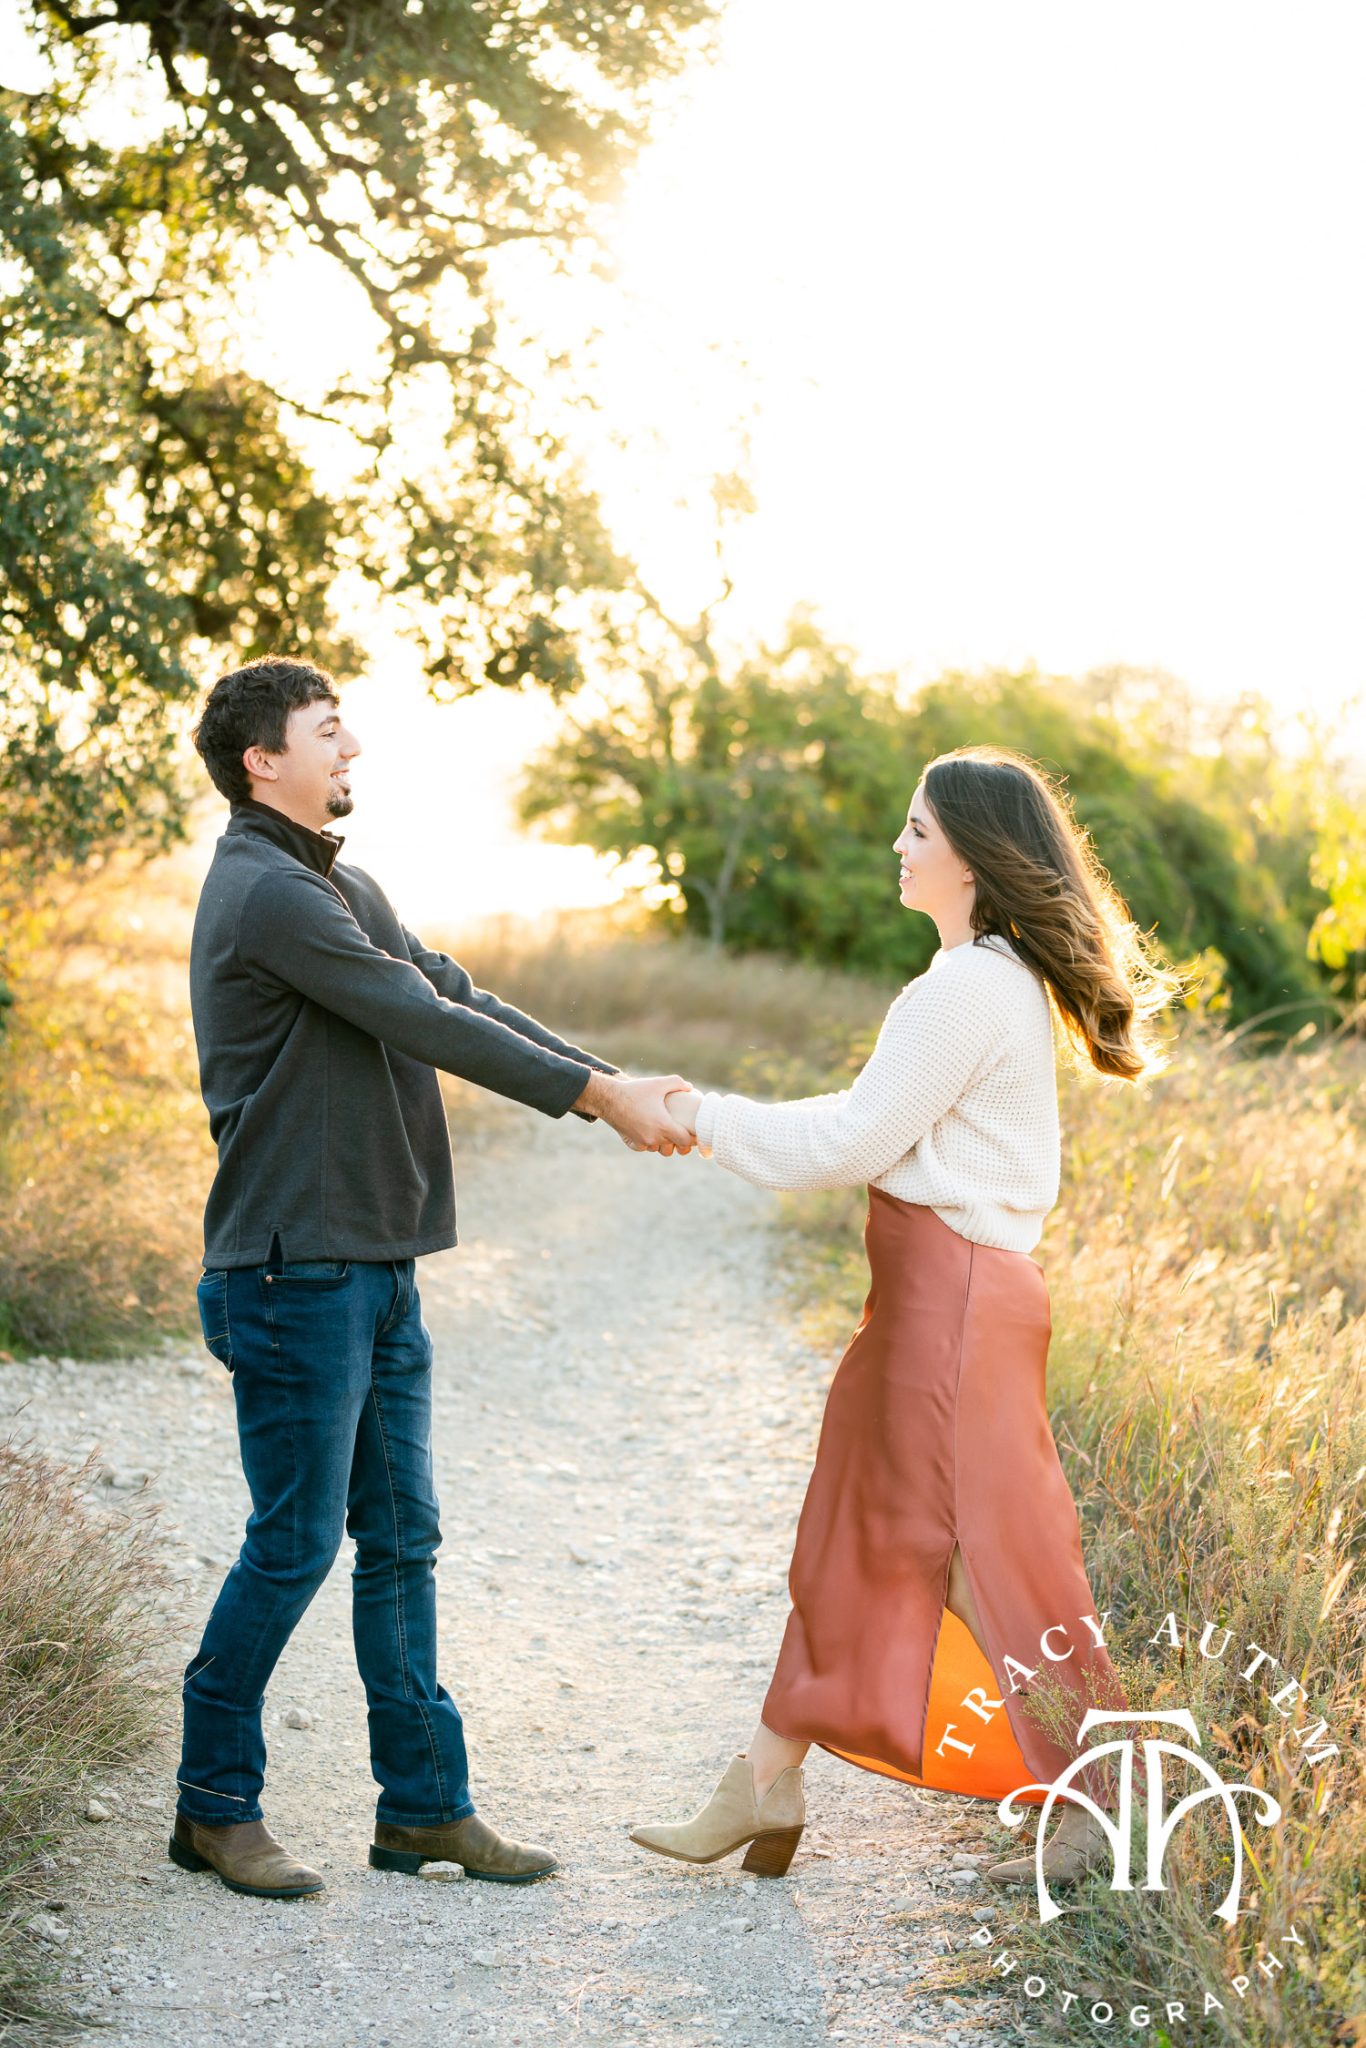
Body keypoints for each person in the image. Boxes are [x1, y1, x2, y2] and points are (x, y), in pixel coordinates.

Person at [174, 654, 694, 1902]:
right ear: (263, 759)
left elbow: (463, 991)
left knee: (400, 1539)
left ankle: (422, 1808)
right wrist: (601, 1102)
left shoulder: (343, 882)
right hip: (292, 1268)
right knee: (294, 1542)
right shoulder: (262, 892)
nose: (351, 749)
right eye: (326, 731)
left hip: (375, 1262)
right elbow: (424, 1020)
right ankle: (211, 1806)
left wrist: (606, 1074)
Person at [629, 745, 1183, 1887]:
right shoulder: (979, 983)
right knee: (856, 1529)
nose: (897, 845)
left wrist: (700, 1114)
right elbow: (866, 1125)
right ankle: (765, 1781)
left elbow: (845, 1142)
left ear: (973, 859)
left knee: (982, 1553)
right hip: (935, 1300)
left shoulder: (967, 987)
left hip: (954, 1304)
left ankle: (1100, 1798)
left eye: (918, 830)